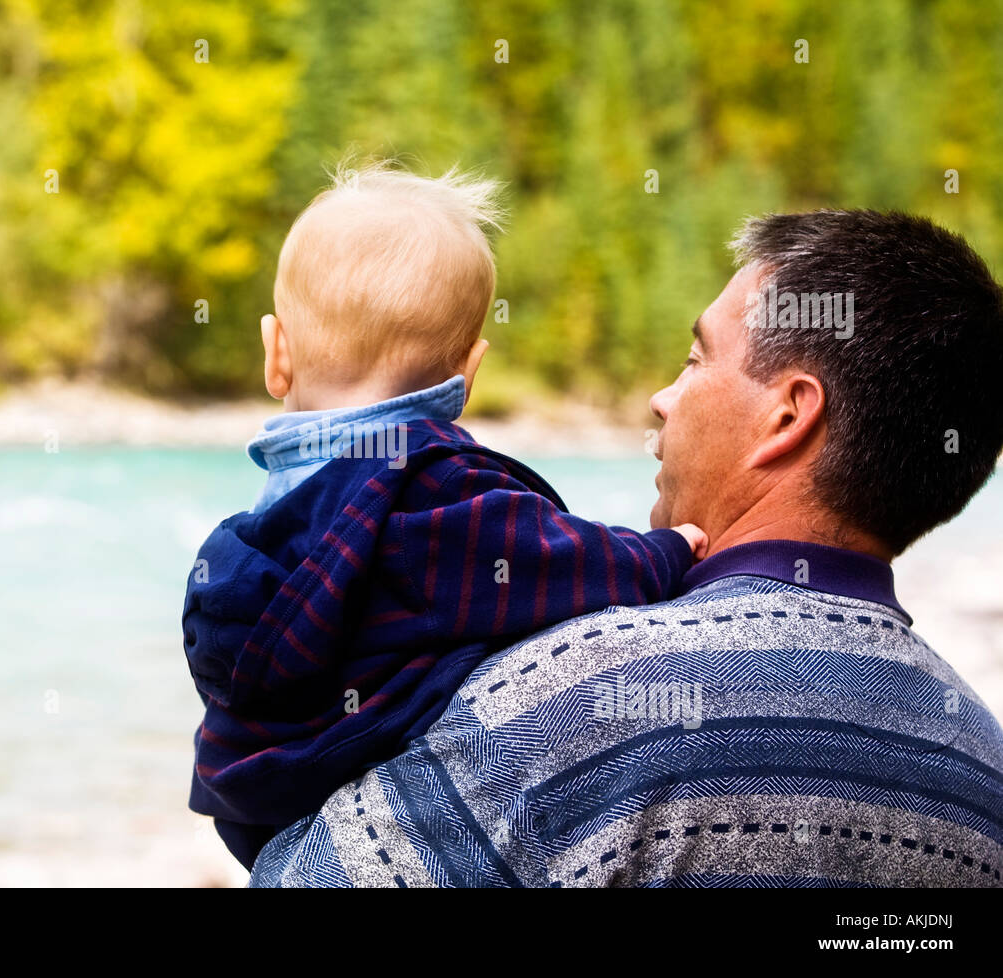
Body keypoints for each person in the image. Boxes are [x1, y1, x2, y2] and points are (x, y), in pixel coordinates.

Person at [249, 209, 1003, 887]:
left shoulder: (581, 694)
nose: (662, 398)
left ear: (787, 417)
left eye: (697, 357)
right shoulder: (981, 768)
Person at [181, 161, 706, 869]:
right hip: (348, 766)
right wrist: (667, 552)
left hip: (255, 785)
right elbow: (563, 561)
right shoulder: (436, 492)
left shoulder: (272, 513)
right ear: (468, 372)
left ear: (277, 356)